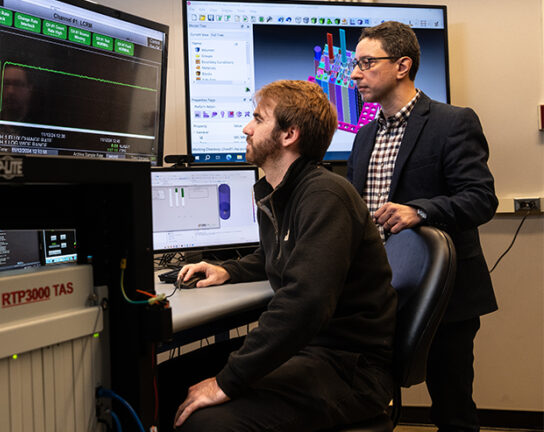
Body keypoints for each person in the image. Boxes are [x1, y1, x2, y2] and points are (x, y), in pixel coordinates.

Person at [168, 80, 397, 431]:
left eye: (257, 119)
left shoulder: (325, 196)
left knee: (206, 421)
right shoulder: (282, 194)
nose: (246, 128)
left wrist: (227, 382)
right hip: (312, 349)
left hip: (350, 368)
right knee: (167, 381)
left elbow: (305, 303)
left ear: (288, 134)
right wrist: (227, 270)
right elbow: (282, 253)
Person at [347, 21, 498, 432]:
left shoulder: (453, 122)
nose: (354, 74)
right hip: (380, 295)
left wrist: (422, 211)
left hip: (444, 295)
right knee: (369, 399)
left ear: (402, 65)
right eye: (353, 64)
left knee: (452, 410)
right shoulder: (363, 138)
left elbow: (482, 199)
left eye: (365, 63)